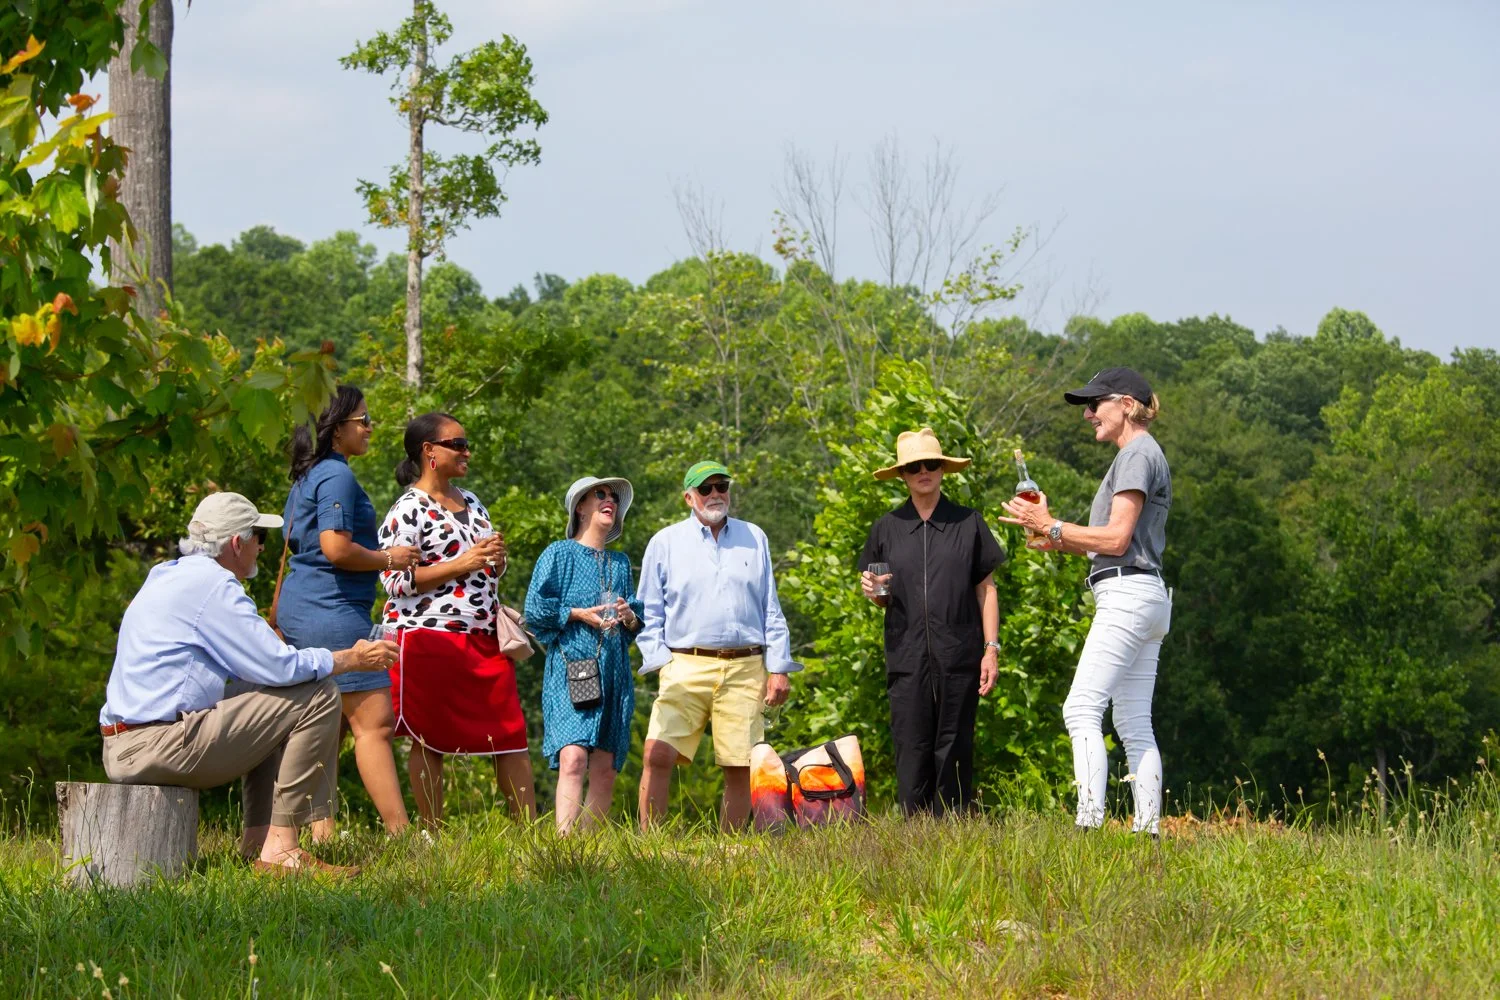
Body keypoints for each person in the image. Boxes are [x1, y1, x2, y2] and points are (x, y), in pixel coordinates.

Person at [99, 492, 399, 877]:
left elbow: (261, 672)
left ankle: (258, 844)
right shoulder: (214, 585)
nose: (262, 547)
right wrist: (351, 659)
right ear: (237, 543)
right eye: (259, 536)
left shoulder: (168, 575)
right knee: (319, 694)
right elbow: (279, 667)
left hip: (126, 744)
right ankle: (282, 848)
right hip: (156, 745)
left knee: (272, 695)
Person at [1000, 367, 1172, 836]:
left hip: (1127, 595)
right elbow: (1111, 544)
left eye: (1096, 404)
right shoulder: (1144, 454)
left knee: (1080, 710)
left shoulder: (1135, 455)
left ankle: (1088, 826)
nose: (1088, 414)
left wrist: (1052, 525)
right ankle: (1148, 832)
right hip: (1146, 594)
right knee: (1134, 723)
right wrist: (1056, 535)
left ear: (1127, 405)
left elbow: (1115, 540)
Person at [377, 412, 535, 829]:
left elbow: (483, 566)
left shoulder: (472, 501)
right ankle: (432, 833)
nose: (467, 452)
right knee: (429, 736)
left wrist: (495, 560)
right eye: (458, 444)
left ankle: (532, 838)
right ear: (429, 451)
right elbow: (395, 581)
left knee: (510, 734)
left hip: (483, 633)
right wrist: (463, 562)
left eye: (467, 444)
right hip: (427, 635)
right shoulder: (407, 509)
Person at [277, 385, 419, 839]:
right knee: (374, 723)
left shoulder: (307, 475)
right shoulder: (336, 475)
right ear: (337, 429)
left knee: (328, 726)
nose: (370, 427)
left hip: (302, 605)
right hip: (332, 608)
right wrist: (389, 558)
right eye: (363, 420)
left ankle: (321, 835)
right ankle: (402, 837)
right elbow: (335, 548)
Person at [636, 460, 799, 831]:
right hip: (684, 663)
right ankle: (649, 846)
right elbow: (648, 611)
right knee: (657, 753)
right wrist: (662, 662)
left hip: (745, 665)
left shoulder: (754, 536)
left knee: (739, 765)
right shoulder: (665, 542)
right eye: (705, 488)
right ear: (688, 497)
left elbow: (770, 608)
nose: (715, 494)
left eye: (721, 486)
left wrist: (778, 667)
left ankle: (732, 849)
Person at [859, 428, 1005, 816]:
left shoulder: (968, 522)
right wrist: (873, 592)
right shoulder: (886, 528)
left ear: (942, 470)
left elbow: (987, 590)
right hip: (906, 656)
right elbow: (879, 595)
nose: (924, 471)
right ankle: (915, 833)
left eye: (931, 464)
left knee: (956, 744)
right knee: (911, 745)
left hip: (960, 653)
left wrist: (991, 649)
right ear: (902, 475)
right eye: (914, 466)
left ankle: (954, 829)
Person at [524, 476, 644, 834]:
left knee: (605, 767)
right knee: (573, 758)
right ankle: (563, 847)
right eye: (600, 495)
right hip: (572, 666)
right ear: (580, 507)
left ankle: (589, 849)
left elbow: (634, 625)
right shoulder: (558, 554)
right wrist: (577, 614)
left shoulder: (620, 562)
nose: (610, 501)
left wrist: (628, 615)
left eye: (614, 497)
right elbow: (535, 610)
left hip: (614, 671)